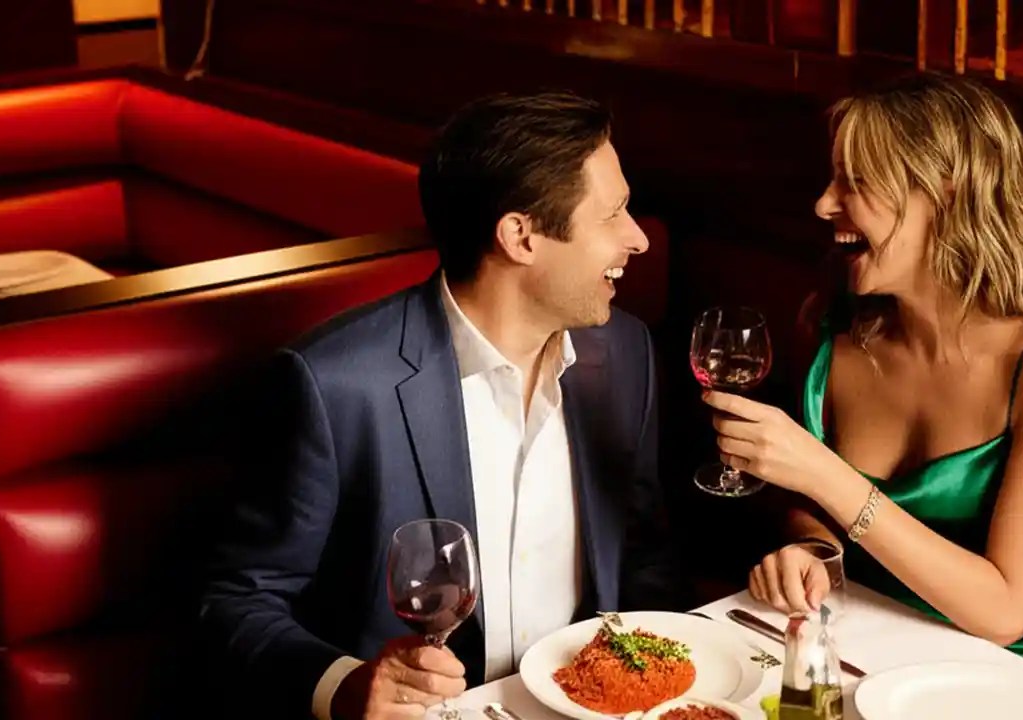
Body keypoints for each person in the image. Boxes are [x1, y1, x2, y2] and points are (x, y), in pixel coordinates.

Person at [200, 90, 687, 720]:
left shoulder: (625, 354)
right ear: (521, 236)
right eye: (613, 214)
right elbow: (234, 600)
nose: (637, 240)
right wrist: (347, 687)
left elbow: (644, 558)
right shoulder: (336, 385)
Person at [702, 73, 1023, 702]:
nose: (825, 205)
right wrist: (811, 549)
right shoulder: (833, 327)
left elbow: (1006, 611)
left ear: (944, 191)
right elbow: (813, 508)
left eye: (854, 182)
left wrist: (823, 474)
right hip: (882, 643)